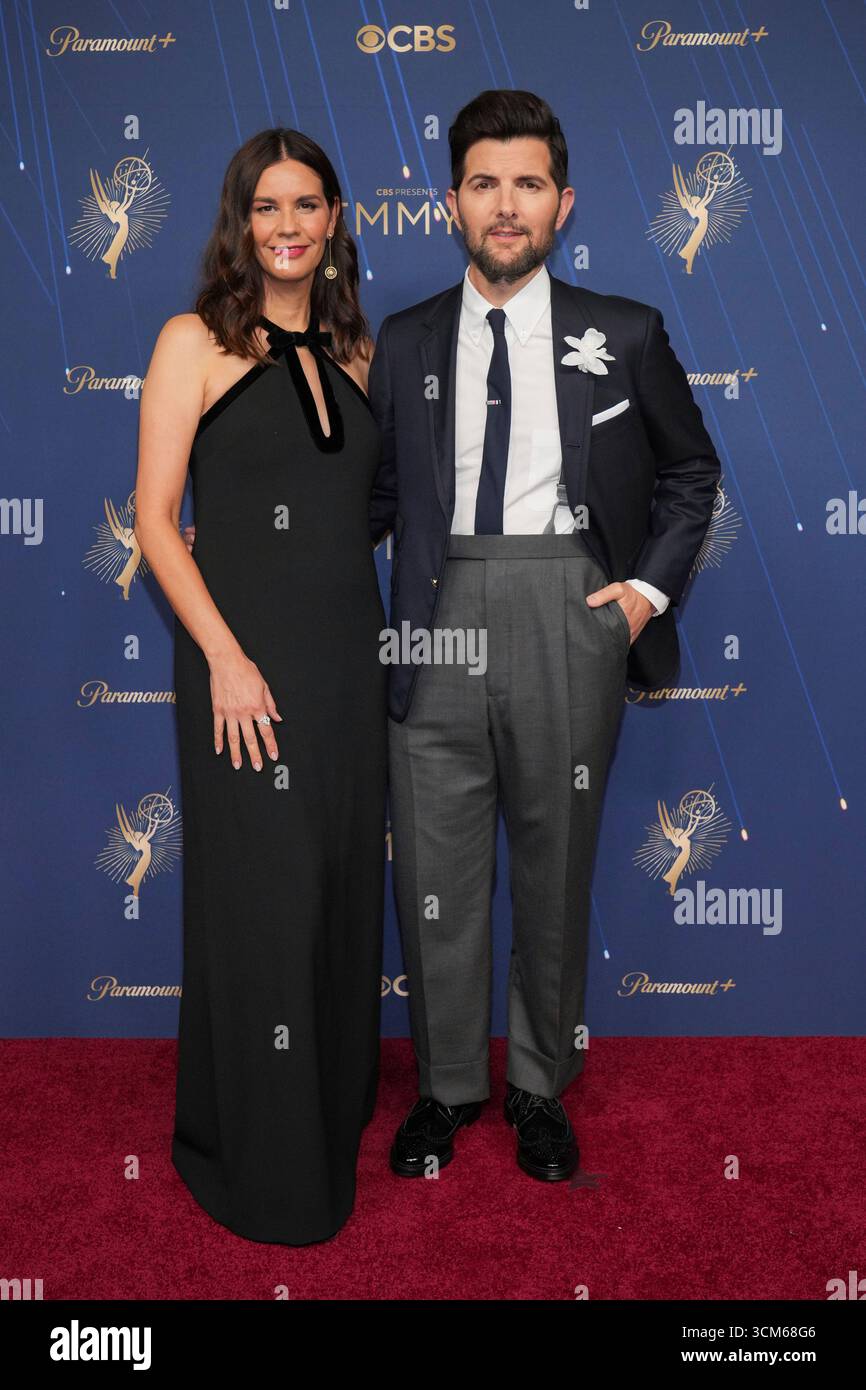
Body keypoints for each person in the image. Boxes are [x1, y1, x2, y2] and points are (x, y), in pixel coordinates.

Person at [366, 90, 722, 1181]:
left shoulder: (624, 332)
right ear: (449, 204)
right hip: (436, 613)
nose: (504, 205)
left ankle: (536, 1087)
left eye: (526, 183)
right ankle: (444, 1088)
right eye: (482, 183)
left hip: (569, 604)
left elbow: (690, 474)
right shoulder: (408, 336)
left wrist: (637, 599)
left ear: (560, 202)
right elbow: (373, 496)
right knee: (433, 860)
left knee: (554, 863)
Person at [134, 128, 387, 1244]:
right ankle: (256, 1162)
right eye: (264, 206)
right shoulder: (190, 342)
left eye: (306, 205)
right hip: (240, 667)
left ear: (334, 221)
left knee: (334, 892)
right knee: (264, 903)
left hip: (345, 662)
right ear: (240, 224)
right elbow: (153, 522)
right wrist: (227, 658)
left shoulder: (357, 351)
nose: (286, 225)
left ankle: (326, 1125)